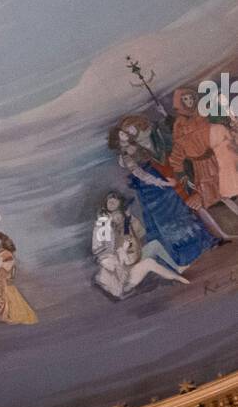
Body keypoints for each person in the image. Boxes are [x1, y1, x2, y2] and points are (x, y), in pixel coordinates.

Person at [109, 119, 223, 263]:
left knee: (183, 213)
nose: (125, 135)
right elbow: (141, 174)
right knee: (169, 221)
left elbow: (154, 144)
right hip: (152, 190)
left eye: (125, 133)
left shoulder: (137, 144)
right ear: (118, 140)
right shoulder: (125, 156)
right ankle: (188, 255)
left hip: (161, 179)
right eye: (122, 134)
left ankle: (207, 241)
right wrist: (161, 182)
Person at [92, 196, 190, 298]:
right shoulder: (107, 229)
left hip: (130, 258)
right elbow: (123, 262)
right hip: (126, 268)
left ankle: (177, 268)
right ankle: (176, 277)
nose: (118, 216)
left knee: (154, 245)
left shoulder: (126, 222)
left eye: (119, 212)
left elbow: (140, 235)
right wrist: (124, 251)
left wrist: (129, 221)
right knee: (147, 262)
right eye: (115, 214)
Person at [169, 88, 238, 217]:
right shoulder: (180, 125)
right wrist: (179, 170)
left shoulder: (204, 114)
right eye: (185, 99)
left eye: (190, 98)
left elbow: (221, 130)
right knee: (215, 194)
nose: (189, 102)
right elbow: (178, 150)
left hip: (218, 156)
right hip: (202, 166)